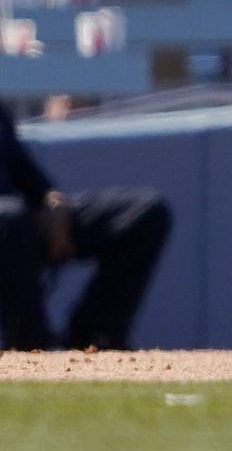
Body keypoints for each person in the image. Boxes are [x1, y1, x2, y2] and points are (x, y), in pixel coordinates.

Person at [0, 97, 174, 349]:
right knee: (12, 218)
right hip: (10, 225)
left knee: (146, 212)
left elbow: (24, 172)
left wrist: (53, 204)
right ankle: (28, 341)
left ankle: (95, 335)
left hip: (18, 227)